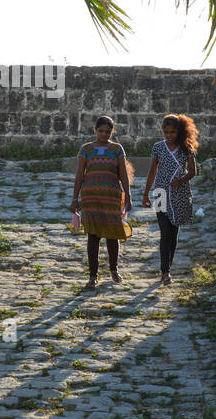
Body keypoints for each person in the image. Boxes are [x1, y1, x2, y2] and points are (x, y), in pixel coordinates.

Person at [70, 116, 133, 288]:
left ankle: (114, 270)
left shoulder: (117, 149)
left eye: (108, 131)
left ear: (112, 132)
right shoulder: (86, 149)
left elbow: (123, 175)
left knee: (113, 234)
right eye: (101, 131)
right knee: (93, 236)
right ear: (95, 130)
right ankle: (93, 275)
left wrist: (128, 195)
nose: (104, 134)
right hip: (91, 198)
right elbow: (79, 176)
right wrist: (75, 198)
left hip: (111, 197)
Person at [141, 113, 198, 286]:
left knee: (173, 233)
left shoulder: (186, 149)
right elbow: (152, 172)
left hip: (179, 193)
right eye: (166, 132)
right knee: (164, 232)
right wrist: (145, 193)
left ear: (179, 131)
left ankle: (168, 268)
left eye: (172, 132)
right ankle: (165, 271)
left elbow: (193, 171)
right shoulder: (158, 148)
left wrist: (180, 181)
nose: (169, 135)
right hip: (160, 192)